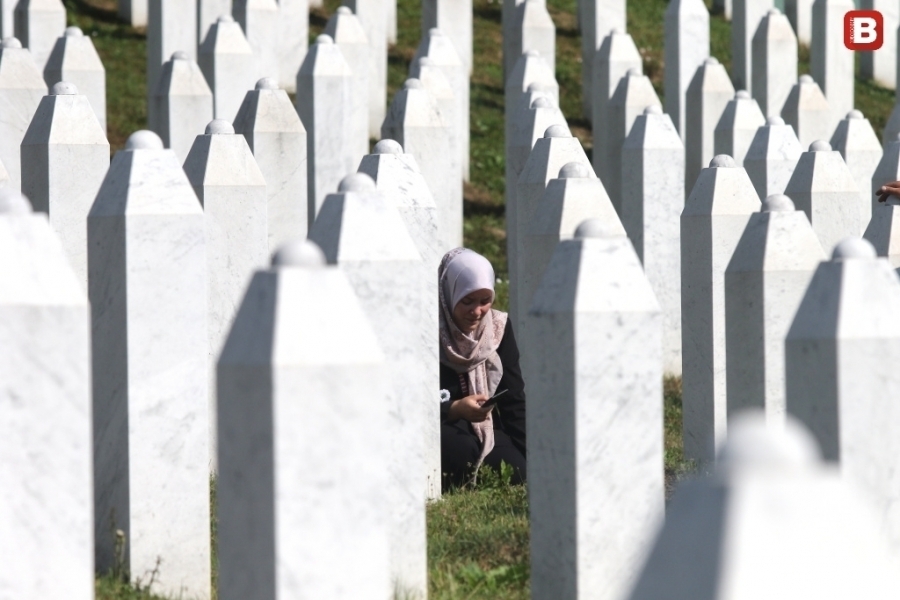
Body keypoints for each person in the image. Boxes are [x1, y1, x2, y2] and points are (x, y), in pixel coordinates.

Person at [438, 248, 526, 490]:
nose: (476, 312)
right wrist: (454, 409)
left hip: (484, 427)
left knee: (516, 470)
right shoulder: (428, 328)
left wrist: (530, 456)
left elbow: (513, 396)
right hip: (442, 424)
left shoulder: (497, 328)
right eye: (467, 301)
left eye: (484, 301)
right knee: (460, 452)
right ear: (449, 294)